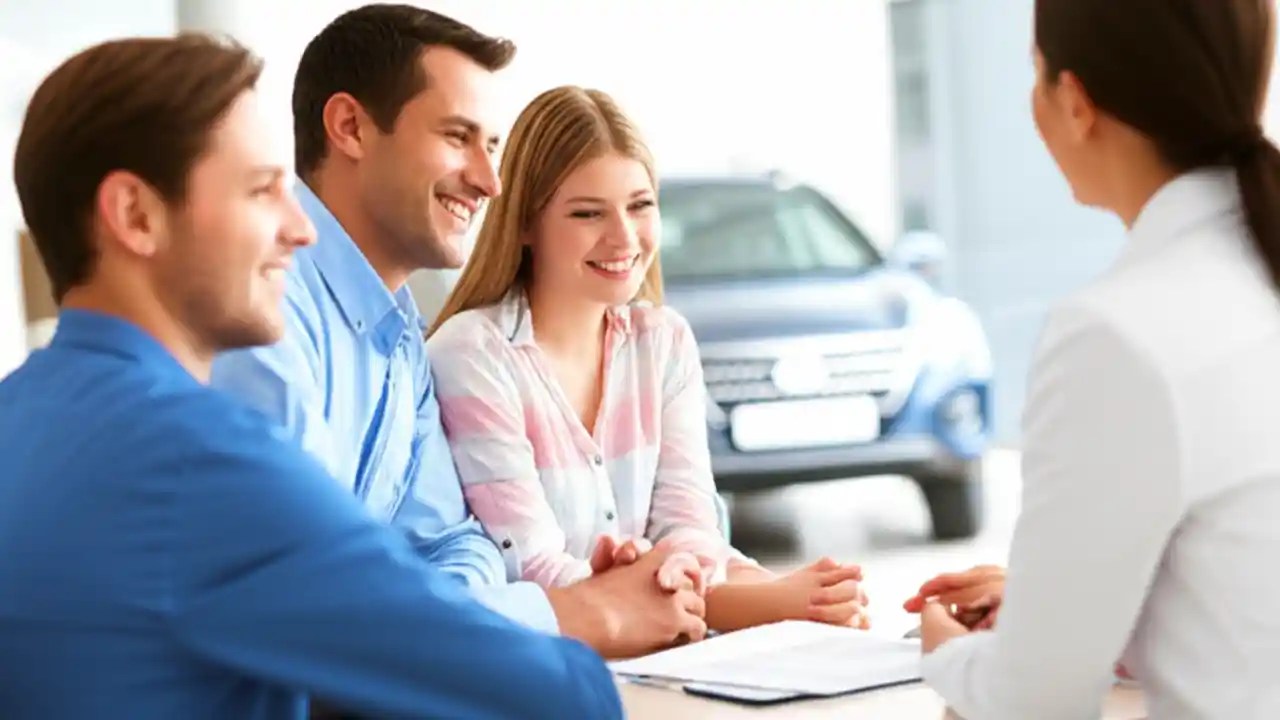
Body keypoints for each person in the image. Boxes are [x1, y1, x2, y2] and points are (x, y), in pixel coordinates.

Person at [0, 34, 623, 720]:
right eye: (264, 191)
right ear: (136, 216)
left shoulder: (21, 415)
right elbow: (550, 695)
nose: (301, 229)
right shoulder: (196, 456)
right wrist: (600, 620)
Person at [210, 4, 706, 658]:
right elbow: (310, 597)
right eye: (457, 137)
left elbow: (452, 544)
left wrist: (489, 613)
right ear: (351, 127)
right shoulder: (263, 311)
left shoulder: (399, 341)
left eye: (492, 146)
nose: (491, 181)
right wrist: (576, 613)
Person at [900, 1, 1280, 718]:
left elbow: (1033, 700)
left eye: (1037, 77)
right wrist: (1065, 602)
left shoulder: (1117, 333)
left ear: (1074, 104)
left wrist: (945, 650)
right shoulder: (1249, 274)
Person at [426, 85, 871, 633]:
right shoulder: (472, 354)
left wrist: (780, 594)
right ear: (523, 224)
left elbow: (690, 530)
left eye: (640, 206)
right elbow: (534, 575)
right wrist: (773, 602)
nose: (623, 238)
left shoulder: (662, 342)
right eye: (588, 213)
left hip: (664, 648)